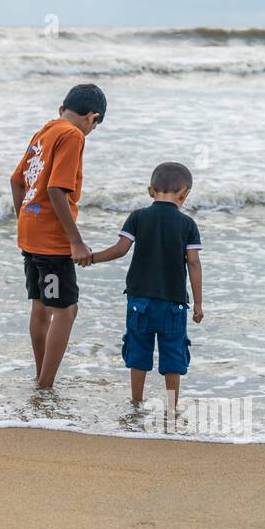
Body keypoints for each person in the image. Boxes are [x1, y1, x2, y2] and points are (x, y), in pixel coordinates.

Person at [9, 83, 107, 389]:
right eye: (94, 125)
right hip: (52, 240)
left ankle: (41, 376)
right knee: (66, 309)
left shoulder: (44, 132)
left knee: (41, 304)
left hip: (30, 232)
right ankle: (45, 384)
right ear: (93, 117)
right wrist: (75, 240)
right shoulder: (72, 135)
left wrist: (24, 217)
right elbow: (55, 189)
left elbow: (16, 181)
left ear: (61, 109)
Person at [88, 162, 204, 407]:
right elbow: (193, 263)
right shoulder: (188, 225)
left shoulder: (138, 217)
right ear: (185, 193)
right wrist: (198, 304)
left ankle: (136, 402)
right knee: (173, 353)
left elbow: (120, 249)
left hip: (139, 301)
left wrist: (91, 257)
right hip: (173, 302)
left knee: (138, 350)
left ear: (150, 191)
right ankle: (171, 406)